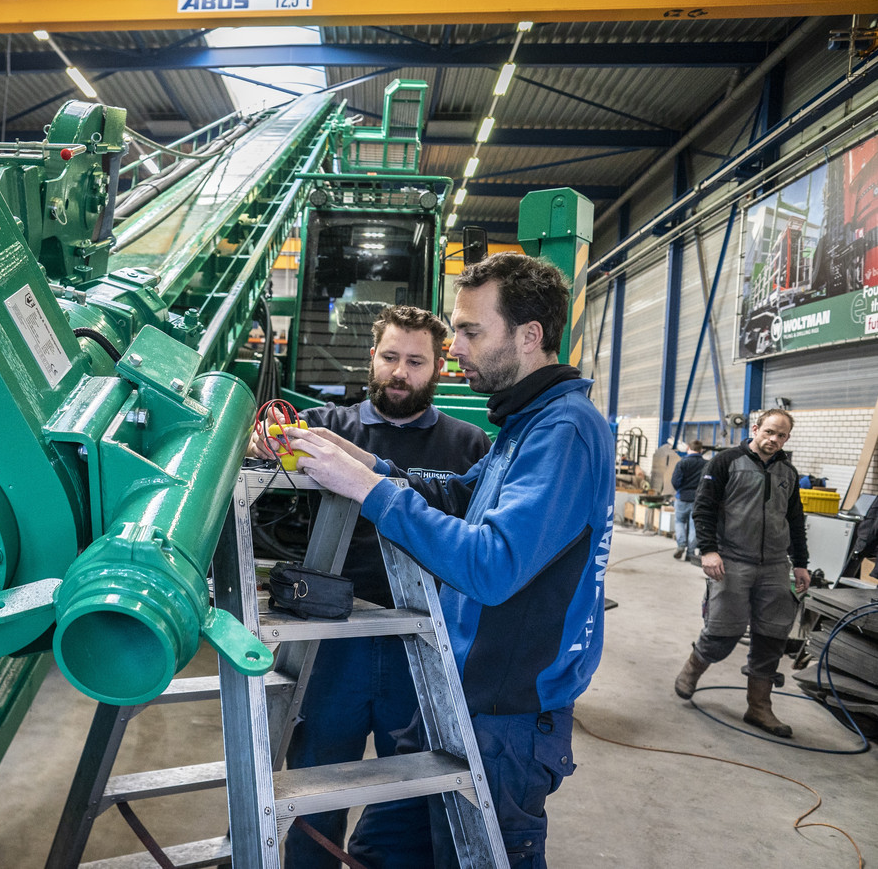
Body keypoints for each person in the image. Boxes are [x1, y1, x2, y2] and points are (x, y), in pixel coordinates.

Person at [286, 252, 615, 869]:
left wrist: (369, 492)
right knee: (381, 851)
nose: (454, 345)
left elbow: (490, 565)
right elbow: (462, 494)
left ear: (528, 336)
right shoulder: (525, 423)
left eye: (469, 330)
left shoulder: (564, 430)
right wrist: (370, 467)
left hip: (505, 717)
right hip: (456, 698)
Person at [250, 305, 491, 868]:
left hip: (423, 643)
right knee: (316, 786)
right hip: (334, 640)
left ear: (438, 370)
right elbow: (262, 435)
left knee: (412, 796)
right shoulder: (328, 428)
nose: (399, 373)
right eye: (390, 358)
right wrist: (265, 438)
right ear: (372, 358)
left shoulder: (468, 446)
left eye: (415, 361)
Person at [674, 409, 810, 737]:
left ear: (787, 439)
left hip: (775, 565)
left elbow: (794, 520)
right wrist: (708, 550)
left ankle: (759, 707)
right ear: (755, 429)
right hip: (733, 560)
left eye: (781, 435)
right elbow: (703, 507)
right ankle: (693, 669)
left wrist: (801, 562)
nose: (774, 440)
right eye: (769, 432)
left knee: (772, 636)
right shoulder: (725, 462)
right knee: (723, 631)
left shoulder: (787, 472)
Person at [671, 440, 708, 560]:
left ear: (688, 448)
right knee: (694, 525)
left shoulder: (682, 463)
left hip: (682, 498)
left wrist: (681, 489)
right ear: (701, 450)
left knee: (680, 522)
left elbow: (675, 481)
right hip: (699, 500)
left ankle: (681, 545)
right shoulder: (706, 464)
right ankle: (691, 553)